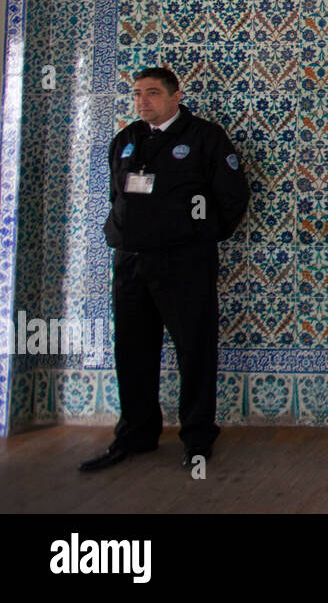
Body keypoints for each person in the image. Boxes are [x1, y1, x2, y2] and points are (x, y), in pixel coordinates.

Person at [78, 67, 249, 472]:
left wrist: (197, 236)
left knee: (194, 350)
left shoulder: (205, 138)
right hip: (132, 262)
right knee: (133, 350)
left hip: (185, 263)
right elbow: (115, 195)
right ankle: (135, 434)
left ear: (175, 96)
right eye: (137, 94)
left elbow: (232, 197)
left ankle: (197, 437)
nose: (143, 102)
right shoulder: (126, 141)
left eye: (152, 93)